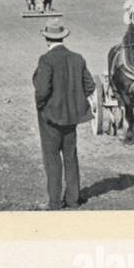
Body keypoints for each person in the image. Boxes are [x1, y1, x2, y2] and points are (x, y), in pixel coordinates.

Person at [32, 15, 95, 209]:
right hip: (71, 119)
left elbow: (42, 90)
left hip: (50, 118)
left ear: (46, 38)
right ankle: (73, 199)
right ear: (63, 37)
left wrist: (41, 106)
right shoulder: (77, 59)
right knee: (70, 156)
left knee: (52, 159)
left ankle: (54, 201)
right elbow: (90, 86)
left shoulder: (46, 60)